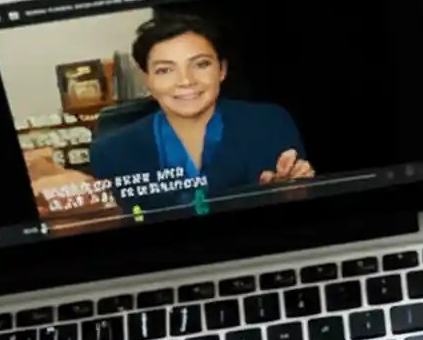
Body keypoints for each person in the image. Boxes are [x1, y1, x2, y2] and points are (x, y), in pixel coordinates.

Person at [89, 13, 315, 215]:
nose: (186, 81)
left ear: (222, 70)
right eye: (165, 70)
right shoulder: (111, 152)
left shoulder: (270, 124)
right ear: (147, 80)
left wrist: (291, 193)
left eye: (201, 64)